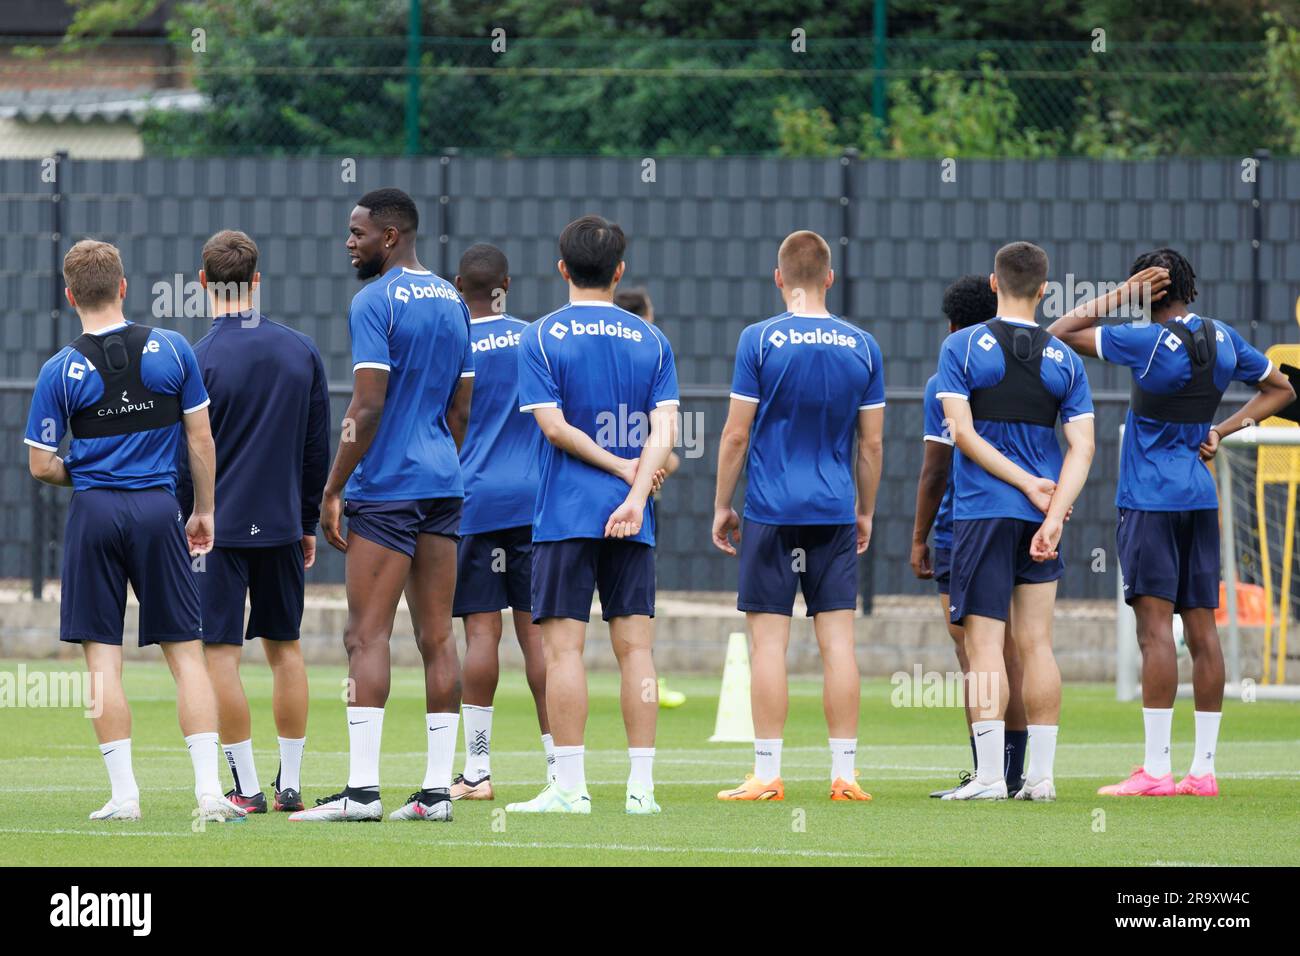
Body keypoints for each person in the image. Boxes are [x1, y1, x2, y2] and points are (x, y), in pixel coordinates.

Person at [1049, 249, 1295, 797]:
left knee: (1156, 632)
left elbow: (1059, 332)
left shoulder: (1146, 341)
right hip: (1199, 498)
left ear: (1148, 293)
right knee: (1204, 631)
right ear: (1192, 289)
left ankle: (1156, 770)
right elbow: (1282, 389)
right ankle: (1203, 771)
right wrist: (1222, 430)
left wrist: (1119, 295)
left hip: (1149, 499)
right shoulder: (1225, 339)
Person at [24, 239, 243, 823]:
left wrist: (90, 473)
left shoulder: (58, 369)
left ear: (70, 296)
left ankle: (125, 797)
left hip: (94, 512)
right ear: (124, 286)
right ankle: (208, 793)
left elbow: (42, 464)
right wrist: (205, 510)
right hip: (156, 508)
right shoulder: (173, 350)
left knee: (102, 659)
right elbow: (201, 440)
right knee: (187, 654)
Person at [290, 189, 473, 823]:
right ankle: (436, 794)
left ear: (389, 237)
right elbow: (460, 410)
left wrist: (334, 487)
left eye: (358, 233)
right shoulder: (454, 298)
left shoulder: (374, 300)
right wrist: (433, 458)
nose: (350, 243)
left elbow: (365, 408)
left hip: (388, 487)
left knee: (365, 634)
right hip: (443, 484)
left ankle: (362, 792)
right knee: (437, 636)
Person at [505, 215, 679, 815]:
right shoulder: (652, 340)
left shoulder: (541, 336)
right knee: (637, 652)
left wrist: (616, 469)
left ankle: (571, 787)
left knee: (564, 653)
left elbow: (554, 429)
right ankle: (642, 789)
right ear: (620, 271)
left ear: (562, 269)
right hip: (633, 516)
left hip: (564, 514)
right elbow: (665, 430)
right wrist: (634, 490)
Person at [712, 230, 883, 802]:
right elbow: (872, 447)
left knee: (768, 647)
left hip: (770, 510)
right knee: (838, 645)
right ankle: (846, 774)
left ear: (779, 277)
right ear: (829, 278)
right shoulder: (863, 345)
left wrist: (721, 505)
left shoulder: (758, 341)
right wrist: (865, 510)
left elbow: (736, 435)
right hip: (834, 510)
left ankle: (767, 773)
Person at [936, 241, 1095, 802]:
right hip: (1039, 520)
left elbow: (961, 433)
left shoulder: (961, 346)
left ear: (994, 282)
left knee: (984, 647)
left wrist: (1024, 484)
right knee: (1037, 645)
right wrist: (1052, 511)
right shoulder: (1065, 359)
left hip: (982, 513)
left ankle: (988, 778)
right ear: (1045, 290)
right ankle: (1042, 778)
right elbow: (1083, 447)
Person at [180, 229, 330, 814]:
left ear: (202, 283)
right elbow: (317, 447)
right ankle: (289, 783)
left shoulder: (195, 359)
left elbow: (184, 452)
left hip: (216, 529)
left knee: (219, 654)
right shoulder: (301, 351)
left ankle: (245, 788)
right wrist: (308, 520)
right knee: (285, 648)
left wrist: (187, 516)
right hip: (284, 525)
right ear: (257, 281)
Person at [911, 275, 1028, 797]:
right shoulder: (1026, 368)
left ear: (953, 326)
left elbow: (935, 471)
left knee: (975, 655)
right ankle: (1021, 770)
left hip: (964, 526)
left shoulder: (947, 375)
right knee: (1018, 651)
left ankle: (989, 773)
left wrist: (918, 539)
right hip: (1026, 516)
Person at [449, 242, 552, 799]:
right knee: (541, 638)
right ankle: (560, 769)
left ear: (456, 284)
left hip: (475, 502)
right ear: (505, 285)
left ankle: (478, 771)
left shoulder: (455, 340)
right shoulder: (535, 338)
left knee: (481, 633)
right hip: (535, 504)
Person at [614, 284, 685, 710]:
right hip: (636, 496)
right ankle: (645, 683)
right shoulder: (650, 352)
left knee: (563, 623)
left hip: (586, 491)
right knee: (636, 608)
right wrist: (660, 465)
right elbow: (662, 438)